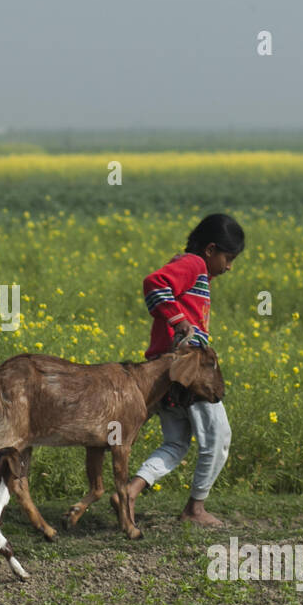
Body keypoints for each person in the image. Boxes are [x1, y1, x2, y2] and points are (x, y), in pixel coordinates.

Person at [122, 213, 244, 527]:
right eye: (228, 258)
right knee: (218, 436)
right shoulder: (193, 265)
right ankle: (195, 509)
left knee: (176, 442)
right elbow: (154, 283)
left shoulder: (196, 269)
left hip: (165, 371)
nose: (229, 266)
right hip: (186, 369)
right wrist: (180, 321)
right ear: (210, 249)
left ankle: (131, 490)